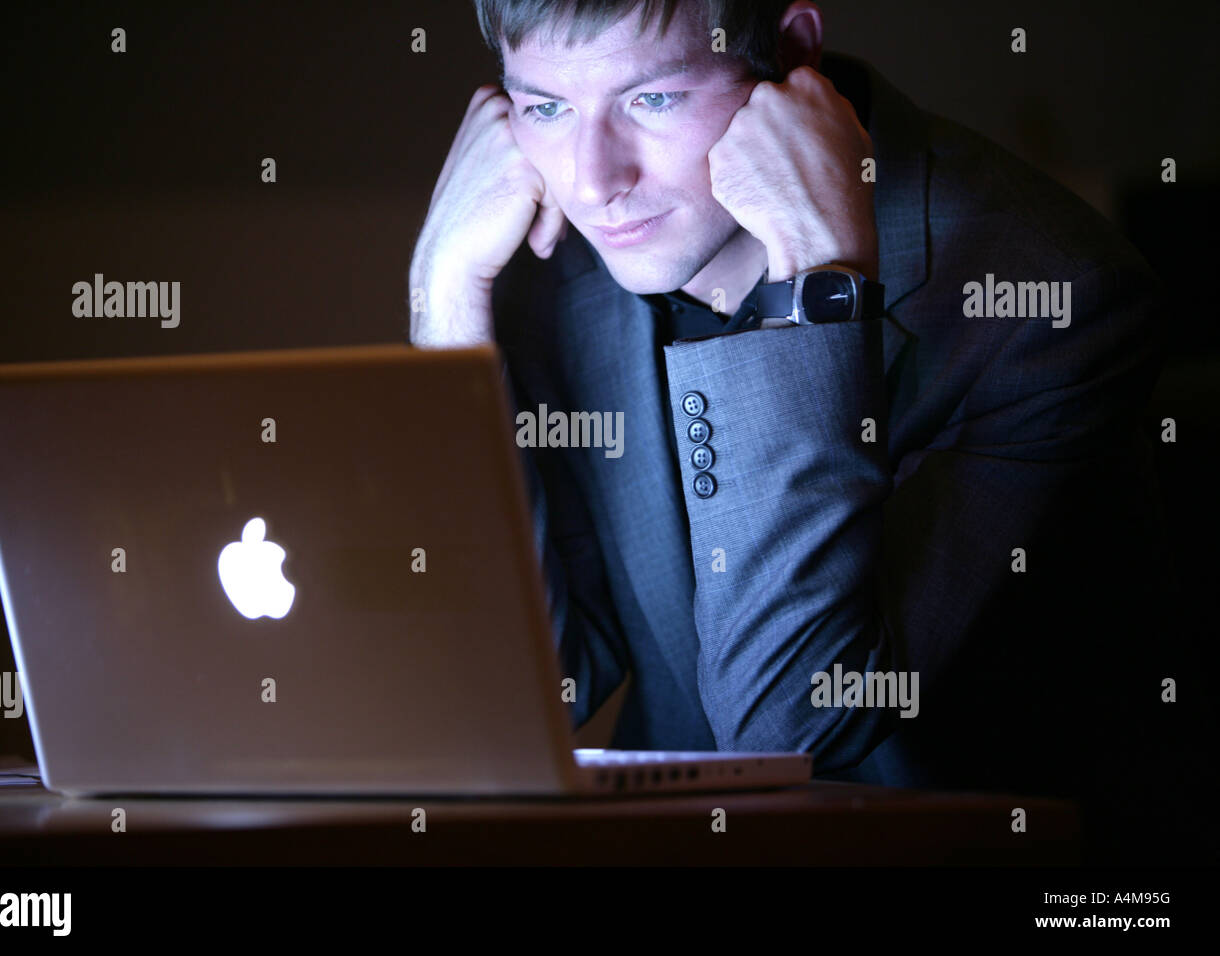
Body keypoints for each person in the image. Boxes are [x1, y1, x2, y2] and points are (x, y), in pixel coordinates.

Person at [408, 0, 1181, 860]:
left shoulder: (1052, 306)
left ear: (792, 57)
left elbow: (789, 728)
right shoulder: (543, 266)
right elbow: (514, 702)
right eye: (545, 108)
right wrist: (442, 306)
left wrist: (819, 280)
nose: (594, 181)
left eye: (653, 99)